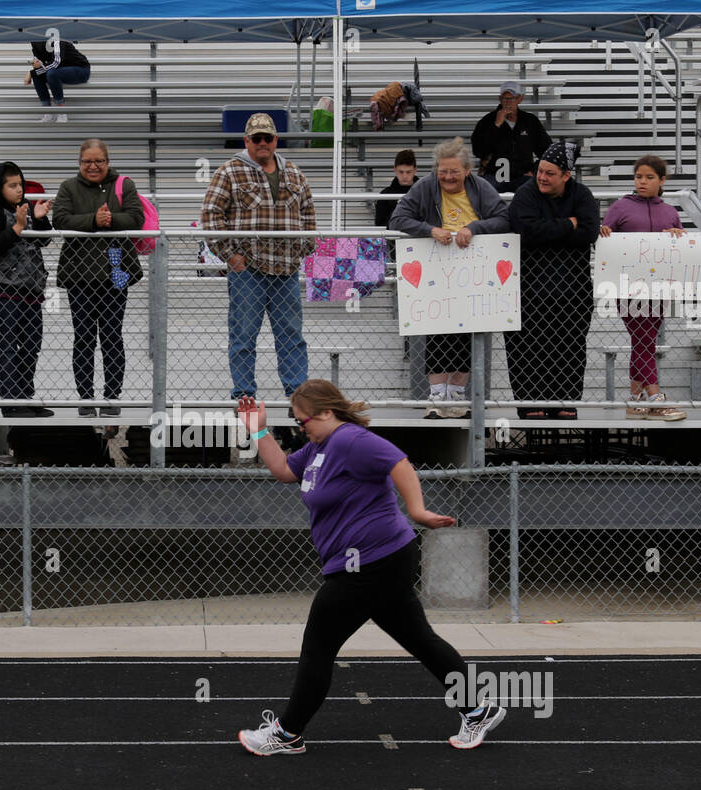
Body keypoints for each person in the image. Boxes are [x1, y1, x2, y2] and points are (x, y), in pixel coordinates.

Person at [233, 380, 507, 755]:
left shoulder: (348, 440)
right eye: (297, 423)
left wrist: (417, 510)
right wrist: (258, 429)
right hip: (380, 559)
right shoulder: (318, 447)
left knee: (319, 645)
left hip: (368, 561)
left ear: (327, 412)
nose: (301, 428)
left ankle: (286, 733)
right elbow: (282, 470)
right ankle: (477, 709)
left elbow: (398, 462)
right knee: (419, 640)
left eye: (304, 421)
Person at [389, 137, 510, 418]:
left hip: (474, 269)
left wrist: (474, 227)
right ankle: (436, 395)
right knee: (438, 327)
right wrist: (430, 230)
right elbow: (398, 219)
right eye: (443, 171)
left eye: (454, 171)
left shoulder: (481, 187)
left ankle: (456, 394)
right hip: (437, 267)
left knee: (467, 330)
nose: (448, 177)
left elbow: (503, 218)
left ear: (467, 170)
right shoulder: (426, 186)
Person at [202, 113, 317, 403]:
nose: (262, 143)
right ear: (247, 140)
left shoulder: (294, 173)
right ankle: (244, 395)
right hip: (248, 271)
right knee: (243, 336)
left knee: (292, 336)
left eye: (268, 138)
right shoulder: (229, 172)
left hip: (286, 270)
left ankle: (297, 397)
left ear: (276, 140)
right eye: (256, 138)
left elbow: (309, 214)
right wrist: (232, 256)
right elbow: (211, 216)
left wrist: (304, 247)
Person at [507, 141, 601, 420]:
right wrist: (567, 224)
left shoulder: (582, 195)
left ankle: (566, 401)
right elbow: (524, 229)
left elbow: (589, 232)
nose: (542, 177)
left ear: (566, 176)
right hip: (529, 290)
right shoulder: (525, 194)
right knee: (527, 348)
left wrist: (548, 231)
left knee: (570, 346)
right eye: (540, 171)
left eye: (549, 173)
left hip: (573, 291)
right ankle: (529, 402)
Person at [51, 139, 143, 417]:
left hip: (116, 272)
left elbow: (136, 219)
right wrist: (94, 220)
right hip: (79, 275)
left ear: (107, 161)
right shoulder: (69, 187)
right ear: (79, 163)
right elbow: (60, 220)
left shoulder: (124, 185)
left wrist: (110, 219)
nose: (93, 166)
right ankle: (86, 397)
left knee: (113, 336)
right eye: (87, 161)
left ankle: (112, 395)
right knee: (84, 337)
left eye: (98, 161)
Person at [598, 154, 688, 422]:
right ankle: (656, 397)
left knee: (643, 341)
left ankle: (634, 400)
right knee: (643, 338)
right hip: (626, 287)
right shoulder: (620, 207)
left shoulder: (670, 212)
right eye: (639, 176)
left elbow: (682, 244)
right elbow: (604, 235)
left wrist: (677, 235)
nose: (643, 182)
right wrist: (604, 232)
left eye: (649, 177)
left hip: (659, 288)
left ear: (662, 180)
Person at [0, 161, 55, 417]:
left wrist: (40, 220)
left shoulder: (27, 208)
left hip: (31, 289)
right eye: (12, 185)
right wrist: (17, 228)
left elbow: (44, 240)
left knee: (31, 343)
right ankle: (10, 401)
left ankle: (25, 395)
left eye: (20, 184)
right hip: (5, 289)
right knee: (9, 343)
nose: (19, 190)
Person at [471, 80, 551, 195]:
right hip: (495, 175)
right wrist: (496, 126)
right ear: (500, 99)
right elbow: (478, 151)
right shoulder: (487, 121)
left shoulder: (530, 121)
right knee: (482, 191)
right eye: (505, 98)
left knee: (539, 191)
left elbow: (546, 151)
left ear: (520, 99)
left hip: (522, 176)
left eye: (512, 98)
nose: (508, 102)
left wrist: (535, 170)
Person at [26, 39, 91, 123]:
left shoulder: (57, 41)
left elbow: (56, 63)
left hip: (81, 70)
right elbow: (42, 66)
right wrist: (36, 66)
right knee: (37, 76)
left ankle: (61, 111)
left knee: (50, 73)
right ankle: (47, 112)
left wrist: (31, 73)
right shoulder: (35, 43)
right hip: (61, 71)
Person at [373, 149, 416, 229]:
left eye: (408, 172)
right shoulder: (385, 194)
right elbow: (380, 225)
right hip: (393, 239)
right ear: (395, 170)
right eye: (401, 172)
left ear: (415, 170)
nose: (405, 176)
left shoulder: (424, 192)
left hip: (420, 238)